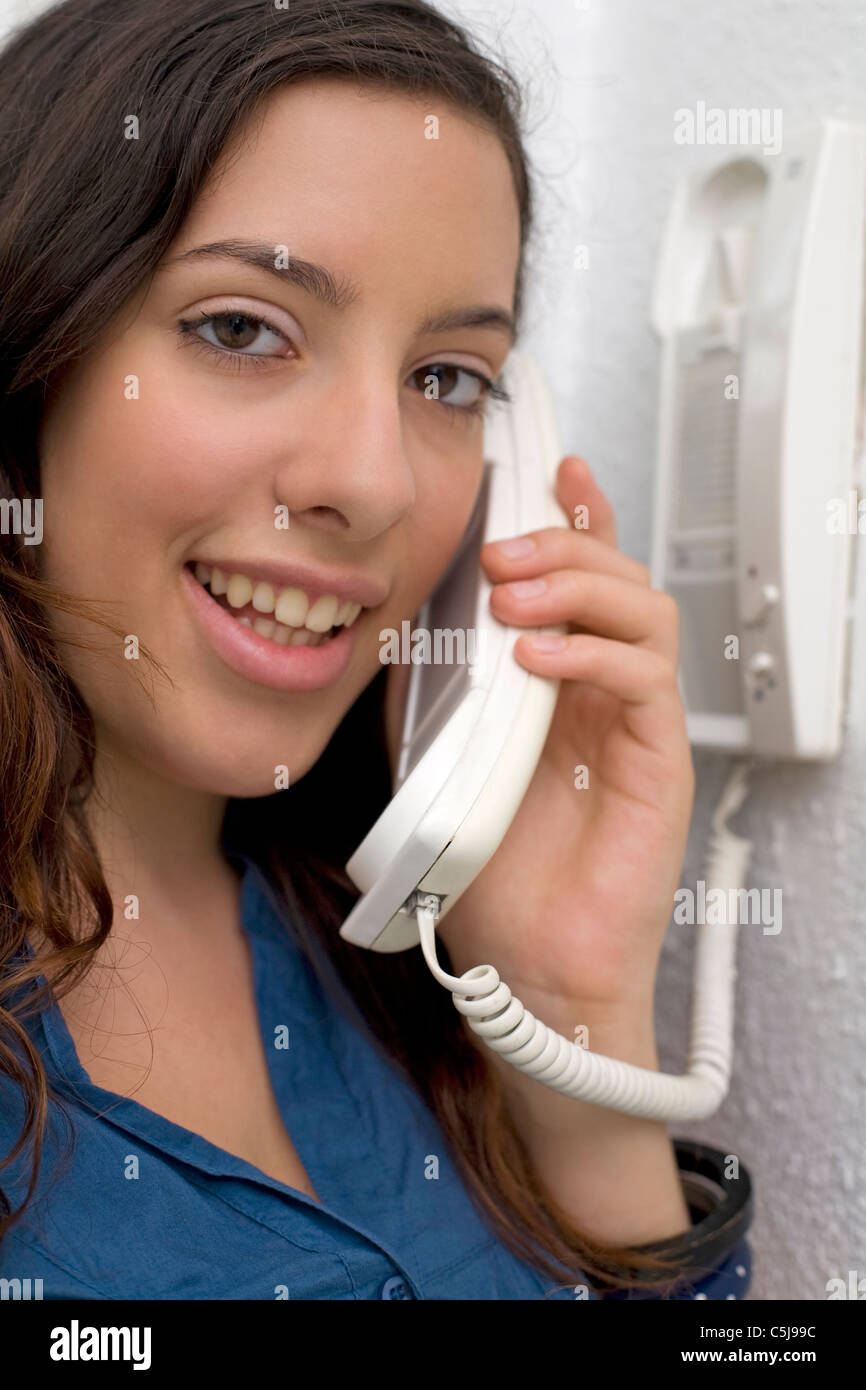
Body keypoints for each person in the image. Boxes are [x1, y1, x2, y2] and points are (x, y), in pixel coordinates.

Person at [0, 0, 752, 1301]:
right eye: (242, 329)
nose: (377, 481)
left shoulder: (394, 954)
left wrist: (574, 1033)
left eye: (448, 379)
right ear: (30, 367)